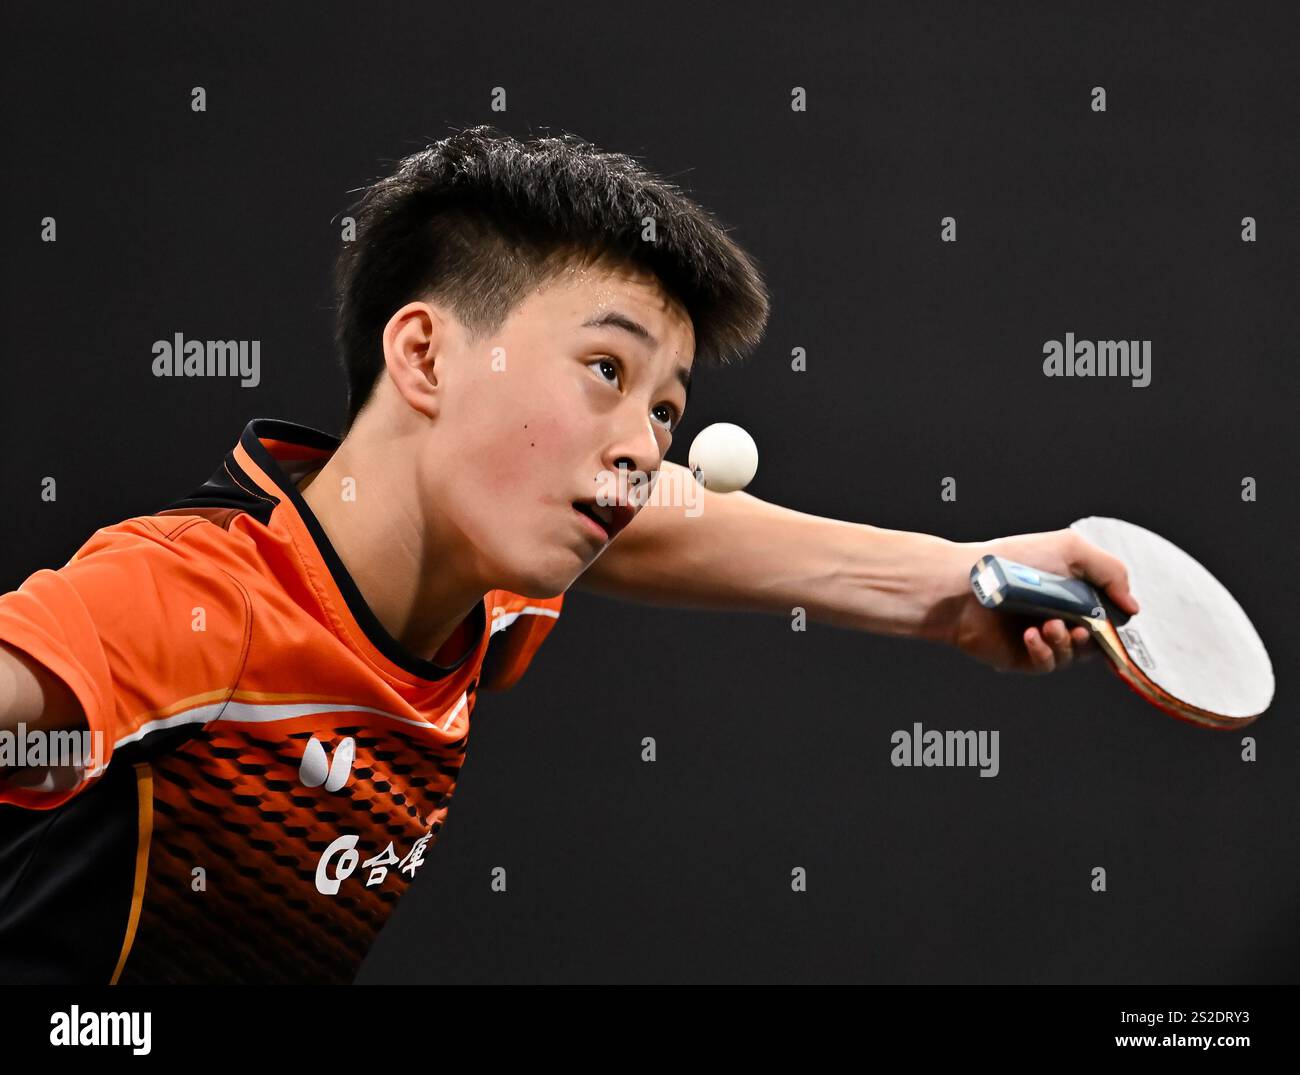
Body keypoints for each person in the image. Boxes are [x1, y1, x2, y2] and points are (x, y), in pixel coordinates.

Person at [0, 125, 1135, 984]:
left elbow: (667, 530)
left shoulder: (483, 580)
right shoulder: (189, 604)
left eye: (666, 411)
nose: (643, 445)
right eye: (605, 370)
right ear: (427, 357)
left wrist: (955, 580)